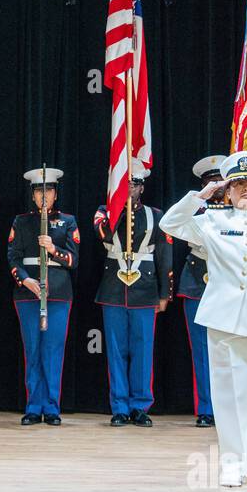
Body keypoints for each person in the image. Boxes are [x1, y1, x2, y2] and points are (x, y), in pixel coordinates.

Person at [162, 151, 247, 487]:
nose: (246, 189)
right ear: (229, 189)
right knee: (229, 391)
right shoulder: (213, 221)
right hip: (225, 318)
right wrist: (201, 196)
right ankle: (233, 461)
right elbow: (170, 223)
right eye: (239, 184)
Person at [93, 158, 172, 427]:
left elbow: (163, 256)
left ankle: (140, 406)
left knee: (142, 350)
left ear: (142, 187)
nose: (130, 189)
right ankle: (119, 406)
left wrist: (165, 294)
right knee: (116, 350)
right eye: (125, 184)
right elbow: (104, 235)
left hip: (145, 290)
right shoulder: (105, 212)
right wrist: (118, 207)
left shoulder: (156, 215)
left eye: (135, 185)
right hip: (113, 290)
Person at [7, 168, 79, 426]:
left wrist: (53, 249)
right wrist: (25, 280)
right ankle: (33, 406)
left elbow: (73, 259)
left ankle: (51, 407)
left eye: (48, 190)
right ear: (33, 195)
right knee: (33, 350)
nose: (44, 195)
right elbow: (13, 256)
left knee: (53, 350)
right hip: (28, 293)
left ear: (55, 194)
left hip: (58, 292)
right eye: (39, 191)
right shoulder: (21, 221)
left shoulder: (67, 221)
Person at [175, 155, 224, 428]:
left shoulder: (238, 211)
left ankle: (229, 407)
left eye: (220, 182)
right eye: (210, 182)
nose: (216, 187)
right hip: (197, 277)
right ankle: (206, 407)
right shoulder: (193, 211)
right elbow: (172, 224)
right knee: (202, 350)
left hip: (227, 281)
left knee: (230, 349)